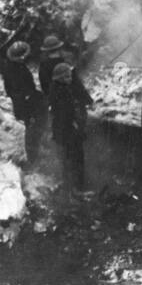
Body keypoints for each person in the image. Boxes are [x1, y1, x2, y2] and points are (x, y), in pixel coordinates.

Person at [0, 41, 46, 163]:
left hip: (23, 101)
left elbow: (9, 90)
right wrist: (27, 97)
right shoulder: (15, 71)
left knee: (33, 124)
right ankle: (32, 156)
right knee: (32, 126)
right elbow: (18, 89)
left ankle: (35, 149)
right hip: (25, 103)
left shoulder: (12, 67)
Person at [48, 61, 89, 192]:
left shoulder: (59, 88)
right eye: (67, 77)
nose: (70, 79)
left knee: (68, 158)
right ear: (60, 78)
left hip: (64, 131)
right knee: (76, 158)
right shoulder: (61, 92)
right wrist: (78, 127)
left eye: (70, 76)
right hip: (68, 132)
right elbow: (66, 114)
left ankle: (70, 186)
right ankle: (78, 188)